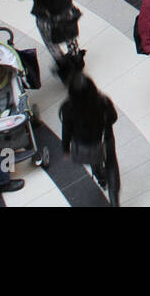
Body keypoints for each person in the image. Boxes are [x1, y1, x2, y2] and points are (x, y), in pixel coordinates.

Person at [59, 72, 119, 205]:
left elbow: (66, 130)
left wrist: (65, 149)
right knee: (111, 164)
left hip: (85, 144)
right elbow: (113, 118)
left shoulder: (68, 108)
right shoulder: (103, 101)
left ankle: (101, 178)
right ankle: (114, 200)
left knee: (95, 161)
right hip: (105, 137)